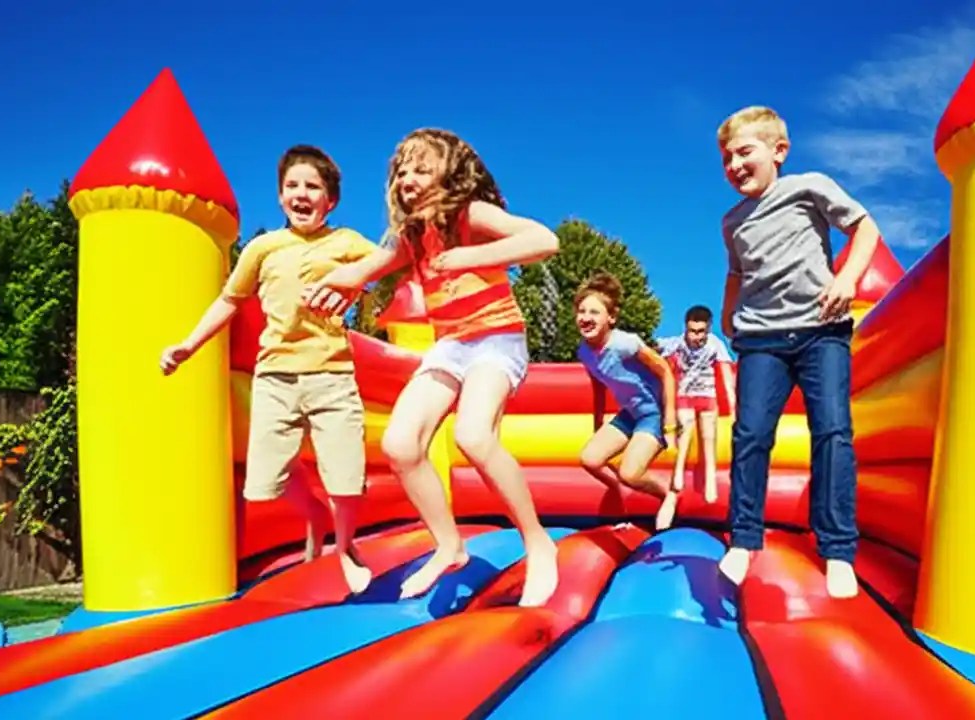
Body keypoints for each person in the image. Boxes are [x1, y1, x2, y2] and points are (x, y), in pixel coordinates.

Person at [303, 128, 560, 606]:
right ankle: (449, 544)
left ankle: (538, 542)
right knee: (401, 445)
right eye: (402, 171)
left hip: (497, 340)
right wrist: (341, 280)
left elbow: (544, 240)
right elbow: (374, 264)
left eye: (422, 169)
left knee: (474, 436)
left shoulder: (472, 215)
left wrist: (472, 255)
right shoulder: (415, 235)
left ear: (452, 175)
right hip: (451, 347)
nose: (408, 179)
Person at [160, 144, 374, 593]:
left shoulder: (346, 242)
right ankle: (314, 513)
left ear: (329, 200)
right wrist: (189, 344)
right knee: (262, 486)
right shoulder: (264, 247)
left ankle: (346, 545)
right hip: (276, 377)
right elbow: (229, 300)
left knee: (349, 481)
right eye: (292, 186)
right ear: (280, 197)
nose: (302, 194)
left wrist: (353, 285)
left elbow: (384, 263)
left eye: (312, 187)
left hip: (332, 374)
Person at [715, 106, 882, 599]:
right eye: (726, 158)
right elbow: (736, 274)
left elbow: (865, 227)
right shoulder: (732, 222)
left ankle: (837, 550)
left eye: (744, 152)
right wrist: (728, 317)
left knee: (832, 430)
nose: (734, 165)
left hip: (820, 330)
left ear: (778, 151)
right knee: (750, 435)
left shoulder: (808, 186)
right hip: (761, 337)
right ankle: (744, 539)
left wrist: (848, 277)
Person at [574, 273, 680, 530]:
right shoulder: (584, 352)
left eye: (595, 312)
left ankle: (668, 492)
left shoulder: (625, 343)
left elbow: (664, 370)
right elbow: (598, 384)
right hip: (630, 414)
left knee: (631, 472)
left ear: (611, 318)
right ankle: (621, 492)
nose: (586, 317)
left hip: (653, 412)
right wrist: (598, 422)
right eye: (581, 311)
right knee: (590, 459)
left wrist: (669, 420)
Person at [656, 305, 735, 505]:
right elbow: (653, 347)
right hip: (685, 395)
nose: (695, 337)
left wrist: (734, 409)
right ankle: (678, 473)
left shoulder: (715, 345)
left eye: (700, 332)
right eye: (692, 331)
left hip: (707, 396)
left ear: (708, 329)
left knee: (709, 436)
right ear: (686, 328)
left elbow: (726, 376)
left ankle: (710, 480)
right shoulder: (677, 343)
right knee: (686, 429)